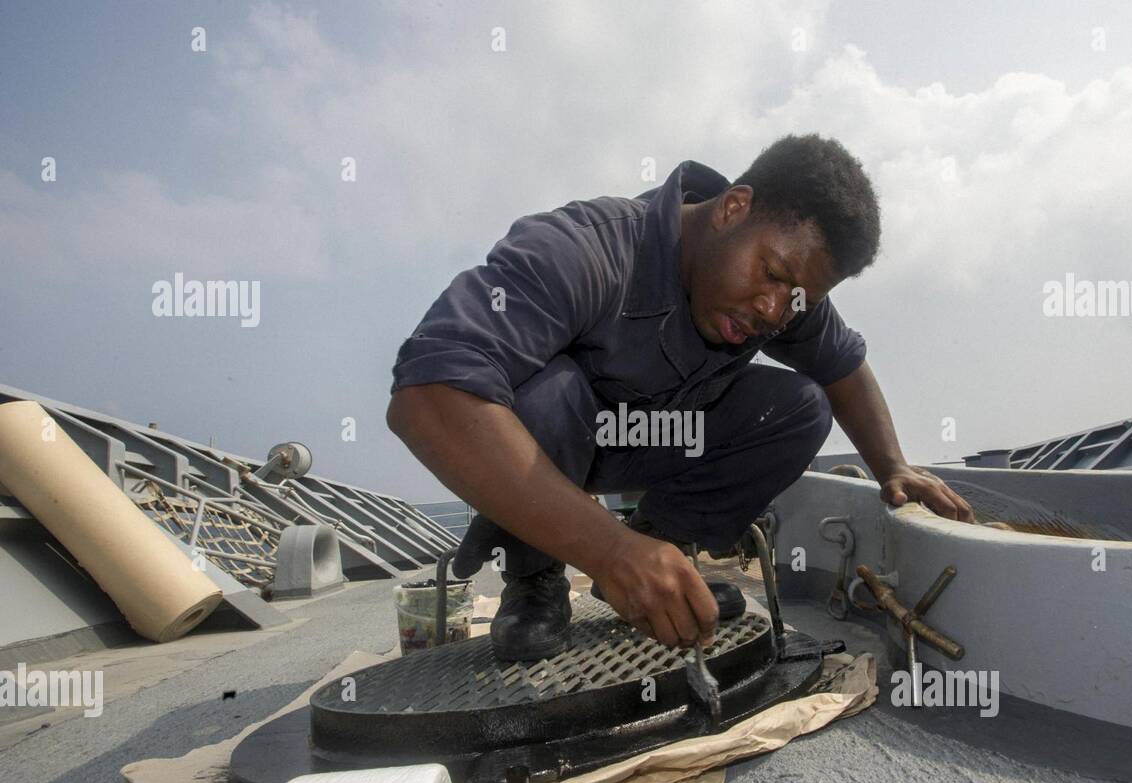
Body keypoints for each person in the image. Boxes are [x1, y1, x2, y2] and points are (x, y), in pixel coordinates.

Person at [387, 134, 975, 663]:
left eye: (798, 297)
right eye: (771, 274)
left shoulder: (783, 296)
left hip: (658, 441)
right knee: (548, 393)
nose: (774, 311)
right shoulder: (583, 248)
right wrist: (610, 551)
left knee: (801, 406)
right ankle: (536, 575)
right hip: (552, 442)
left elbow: (844, 368)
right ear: (733, 208)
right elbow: (429, 393)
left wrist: (892, 465)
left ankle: (665, 559)